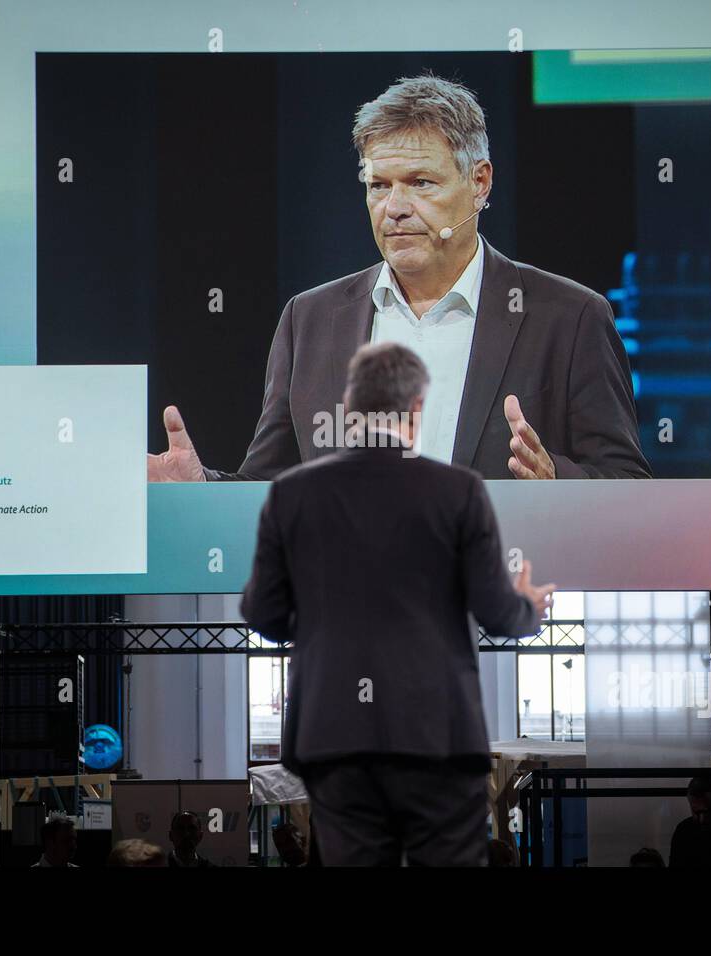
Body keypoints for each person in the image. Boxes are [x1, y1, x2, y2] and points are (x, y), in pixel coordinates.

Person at [147, 73, 650, 483]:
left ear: (479, 182)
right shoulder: (311, 319)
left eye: (420, 183)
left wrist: (555, 482)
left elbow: (627, 482)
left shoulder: (570, 316)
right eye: (379, 185)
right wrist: (202, 490)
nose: (395, 208)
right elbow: (273, 487)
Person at [241, 341, 556, 865]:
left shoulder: (292, 493)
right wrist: (529, 606)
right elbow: (499, 614)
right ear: (416, 408)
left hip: (336, 741)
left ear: (348, 408)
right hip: (438, 738)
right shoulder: (459, 491)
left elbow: (265, 617)